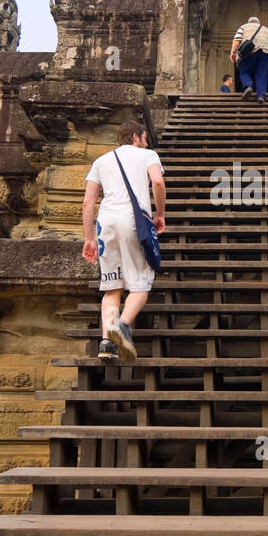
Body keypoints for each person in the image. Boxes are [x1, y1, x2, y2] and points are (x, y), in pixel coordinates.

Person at [81, 121, 166, 362]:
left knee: (111, 287)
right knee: (140, 284)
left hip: (105, 222)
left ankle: (107, 342)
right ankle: (123, 325)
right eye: (145, 137)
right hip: (133, 219)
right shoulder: (148, 154)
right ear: (136, 137)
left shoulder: (101, 161)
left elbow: (88, 203)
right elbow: (158, 182)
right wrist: (160, 214)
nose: (147, 142)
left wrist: (89, 239)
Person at [230, 14, 268, 104]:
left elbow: (237, 40)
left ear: (249, 22)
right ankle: (260, 96)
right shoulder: (267, 30)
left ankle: (248, 86)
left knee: (244, 71)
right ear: (258, 23)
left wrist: (232, 52)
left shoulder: (243, 27)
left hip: (249, 52)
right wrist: (266, 48)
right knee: (261, 75)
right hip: (265, 53)